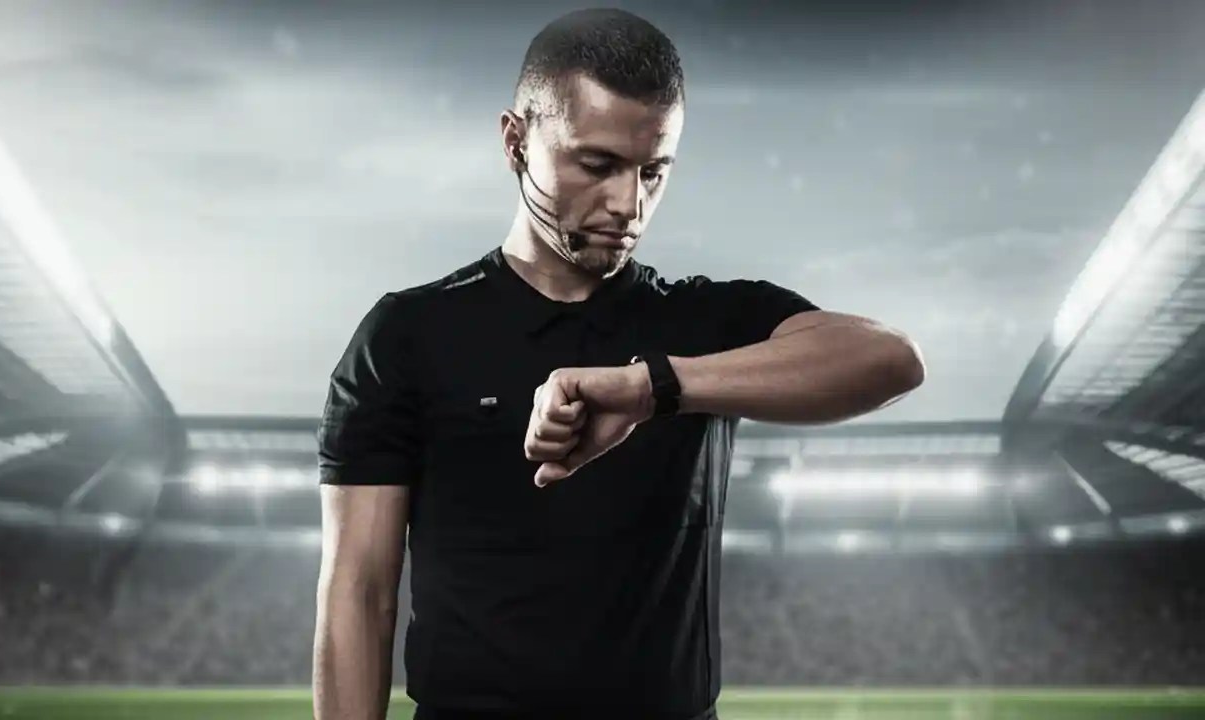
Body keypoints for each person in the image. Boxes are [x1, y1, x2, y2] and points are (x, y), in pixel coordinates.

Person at [312, 8, 925, 720]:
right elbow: (359, 589)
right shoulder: (408, 334)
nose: (628, 204)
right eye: (597, 164)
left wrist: (656, 387)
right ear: (515, 141)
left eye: (653, 171)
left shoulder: (706, 323)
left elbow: (892, 359)